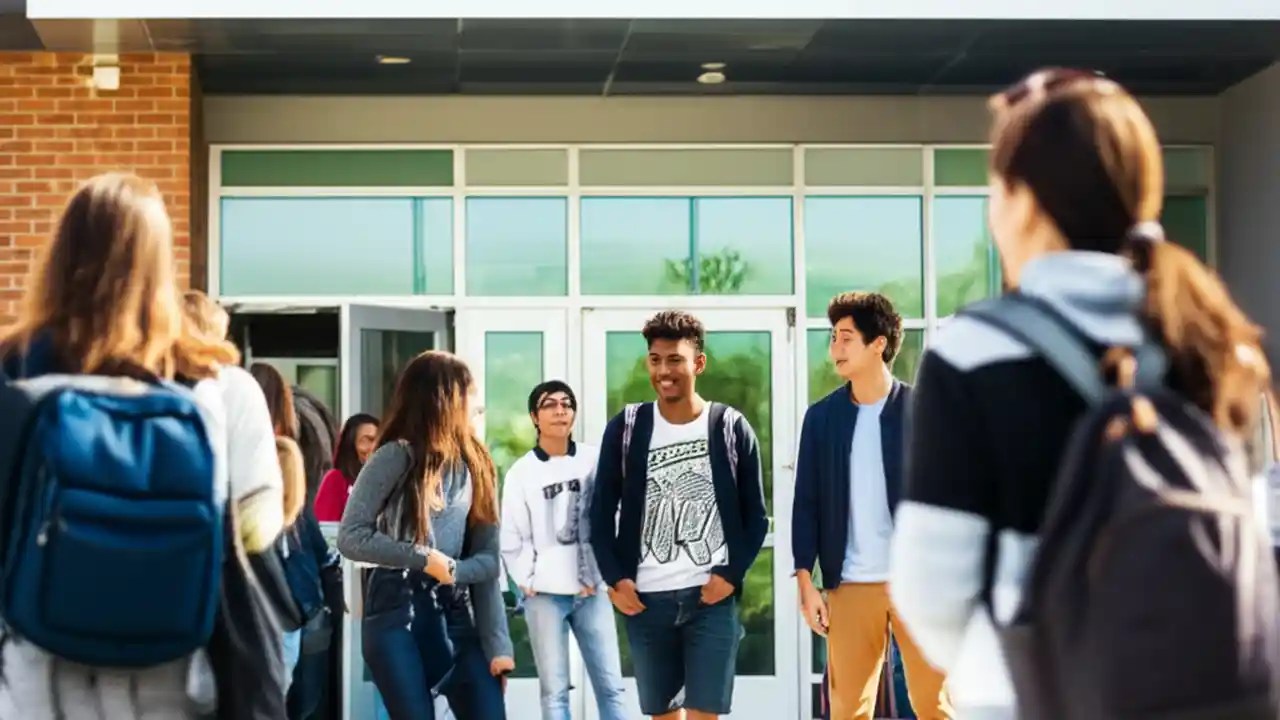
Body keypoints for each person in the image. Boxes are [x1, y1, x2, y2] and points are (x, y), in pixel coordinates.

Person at [888, 69, 1272, 718]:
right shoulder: (1216, 342)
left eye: (994, 186)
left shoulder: (974, 349)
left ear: (1025, 202)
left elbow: (932, 592)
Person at [0, 174, 278, 719]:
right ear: (159, 269)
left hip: (35, 684)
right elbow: (248, 535)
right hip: (170, 684)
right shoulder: (205, 387)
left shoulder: (14, 381)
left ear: (59, 257)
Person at [590, 310, 768, 720]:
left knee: (706, 715)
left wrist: (731, 574)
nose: (664, 370)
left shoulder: (729, 427)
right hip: (646, 602)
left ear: (698, 363)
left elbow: (755, 517)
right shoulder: (628, 428)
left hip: (709, 598)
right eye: (655, 359)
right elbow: (600, 514)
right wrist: (615, 579)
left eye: (675, 359)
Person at [792, 292, 952, 720]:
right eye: (832, 338)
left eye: (846, 337)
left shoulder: (923, 412)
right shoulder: (822, 419)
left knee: (936, 705)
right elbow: (806, 502)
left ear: (878, 344)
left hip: (917, 584)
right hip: (849, 586)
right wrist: (806, 582)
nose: (835, 348)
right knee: (847, 711)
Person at [338, 350, 514, 720]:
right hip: (394, 609)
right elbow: (351, 536)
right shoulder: (394, 456)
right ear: (445, 397)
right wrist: (422, 558)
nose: (477, 403)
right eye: (470, 393)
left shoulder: (477, 465)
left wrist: (498, 644)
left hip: (454, 608)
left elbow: (486, 561)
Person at [501, 380, 627, 720]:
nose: (560, 410)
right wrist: (528, 579)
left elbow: (613, 518)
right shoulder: (521, 473)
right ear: (534, 417)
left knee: (611, 686)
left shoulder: (593, 460)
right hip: (545, 596)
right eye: (550, 404)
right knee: (554, 693)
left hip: (592, 592)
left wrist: (603, 573)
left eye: (566, 404)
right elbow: (512, 537)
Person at [315, 413, 380, 522]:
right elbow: (327, 529)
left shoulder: (386, 481)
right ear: (350, 443)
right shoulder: (336, 479)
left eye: (378, 441)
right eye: (366, 440)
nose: (373, 447)